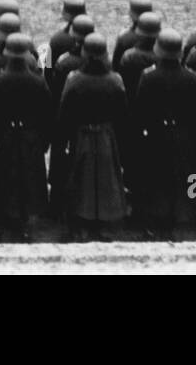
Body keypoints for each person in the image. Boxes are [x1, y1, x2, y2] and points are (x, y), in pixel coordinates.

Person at [0, 33, 52, 241]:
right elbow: (47, 113)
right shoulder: (37, 81)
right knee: (27, 180)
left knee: (2, 179)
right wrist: (42, 141)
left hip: (4, 137)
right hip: (30, 137)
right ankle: (24, 223)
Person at [57, 33, 127, 241]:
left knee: (81, 180)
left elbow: (65, 113)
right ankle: (105, 222)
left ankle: (82, 223)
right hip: (106, 135)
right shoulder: (115, 80)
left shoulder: (75, 80)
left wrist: (64, 140)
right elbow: (123, 113)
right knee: (107, 179)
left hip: (82, 135)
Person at [130, 28, 196, 236]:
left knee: (157, 178)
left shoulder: (149, 76)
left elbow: (140, 111)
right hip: (184, 135)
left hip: (157, 135)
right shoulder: (191, 77)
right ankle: (187, 214)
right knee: (187, 176)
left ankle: (156, 218)